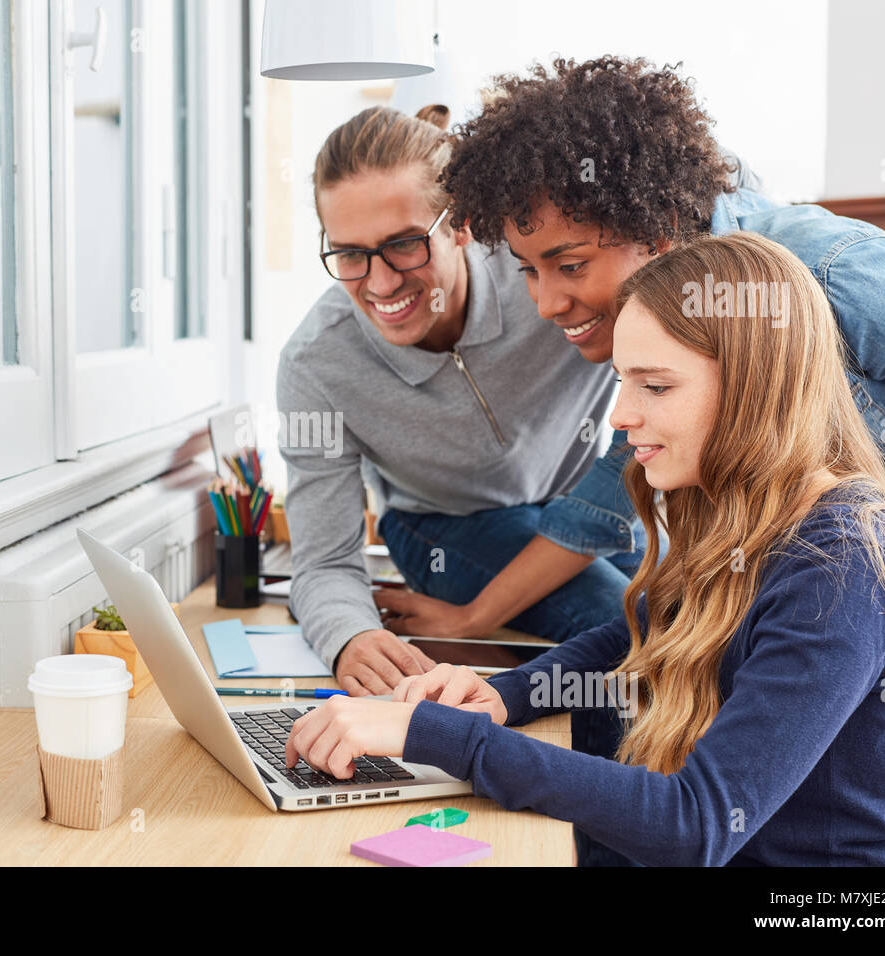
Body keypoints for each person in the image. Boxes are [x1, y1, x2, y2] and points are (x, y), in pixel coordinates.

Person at [284, 232, 885, 866]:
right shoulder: (743, 514)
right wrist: (502, 696)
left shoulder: (843, 562)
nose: (621, 416)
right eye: (623, 381)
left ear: (753, 389)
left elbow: (697, 823)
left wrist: (436, 737)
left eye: (655, 387)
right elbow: (637, 633)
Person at [278, 104, 654, 704]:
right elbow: (323, 561)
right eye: (349, 254)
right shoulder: (315, 366)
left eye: (404, 244)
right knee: (631, 631)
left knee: (701, 619)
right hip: (447, 528)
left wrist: (478, 615)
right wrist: (348, 637)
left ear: (462, 225)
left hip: (585, 507)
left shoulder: (543, 270)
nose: (379, 284)